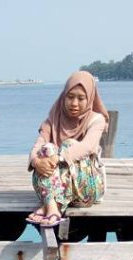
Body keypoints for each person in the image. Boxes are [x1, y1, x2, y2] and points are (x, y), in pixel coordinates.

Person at [26, 71, 108, 228]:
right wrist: (36, 161)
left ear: (90, 98)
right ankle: (52, 207)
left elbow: (87, 146)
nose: (74, 103)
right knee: (44, 150)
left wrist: (59, 157)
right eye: (70, 97)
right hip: (55, 187)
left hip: (85, 189)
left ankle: (51, 206)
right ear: (63, 97)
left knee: (68, 144)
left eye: (81, 98)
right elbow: (37, 145)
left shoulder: (97, 120)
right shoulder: (53, 120)